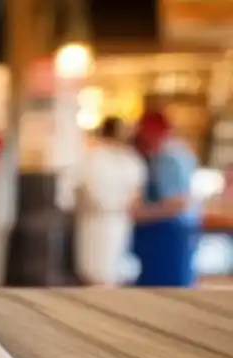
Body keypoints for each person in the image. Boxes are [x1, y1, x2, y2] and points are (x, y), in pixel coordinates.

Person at [74, 117, 147, 286]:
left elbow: (78, 192)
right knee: (108, 271)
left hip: (96, 220)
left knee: (95, 270)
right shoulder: (131, 160)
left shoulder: (91, 158)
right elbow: (136, 198)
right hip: (113, 220)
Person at [132, 110, 200, 287]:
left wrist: (140, 214)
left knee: (164, 288)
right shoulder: (181, 150)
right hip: (177, 231)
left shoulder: (167, 156)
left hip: (168, 232)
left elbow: (178, 203)